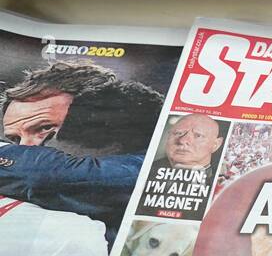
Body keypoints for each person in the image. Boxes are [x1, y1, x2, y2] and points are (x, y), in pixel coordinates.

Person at [0, 61, 163, 233]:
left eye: (44, 128)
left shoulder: (150, 167)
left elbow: (50, 175)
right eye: (16, 140)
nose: (23, 149)